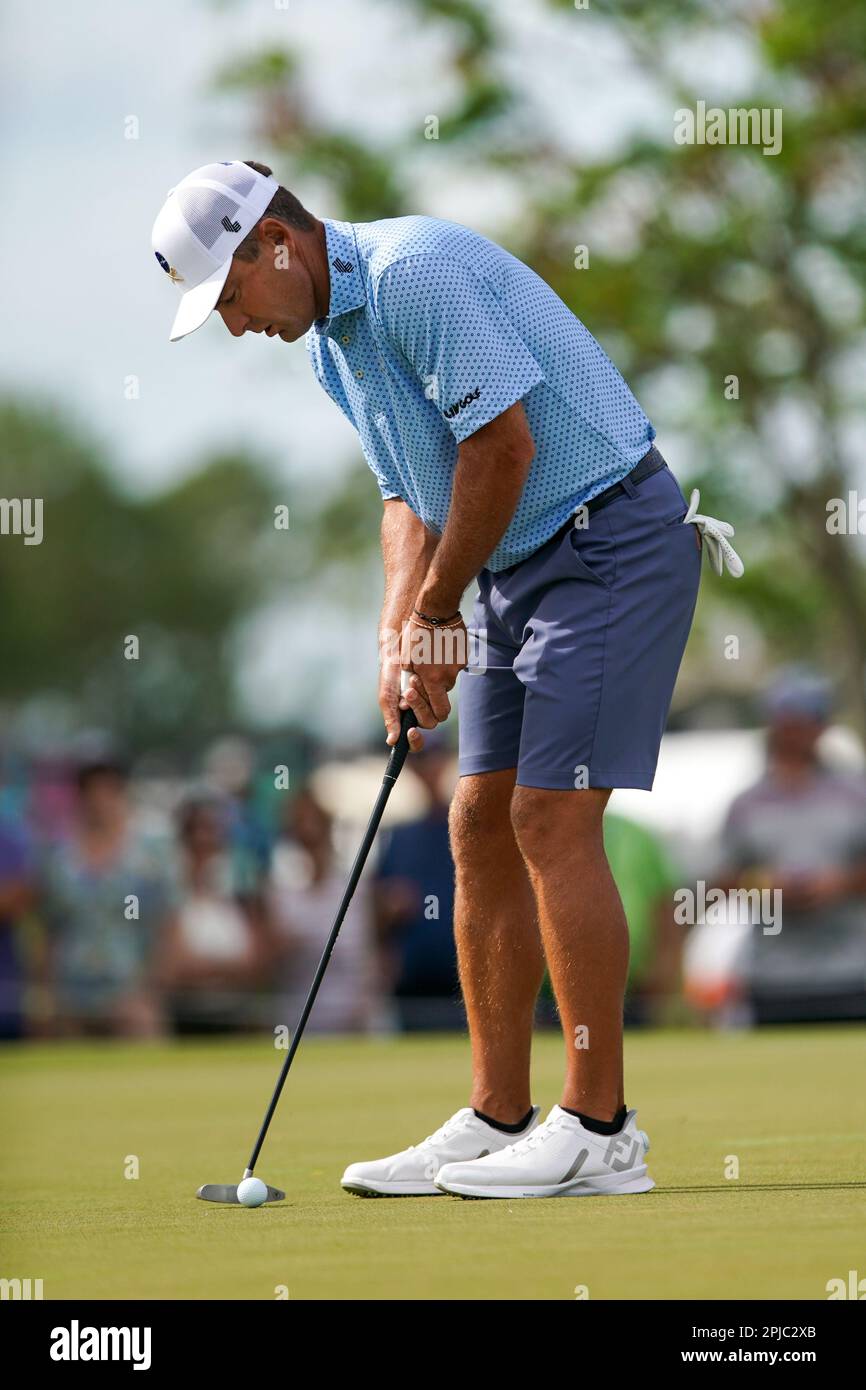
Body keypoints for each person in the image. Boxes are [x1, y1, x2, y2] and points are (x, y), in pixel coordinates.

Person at [152, 160, 742, 1199]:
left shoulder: (414, 274)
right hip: (518, 565)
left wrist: (436, 613)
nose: (237, 325)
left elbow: (501, 448)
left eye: (232, 298)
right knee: (477, 820)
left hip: (607, 540)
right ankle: (494, 1112)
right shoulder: (332, 343)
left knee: (551, 821)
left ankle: (598, 1126)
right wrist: (398, 632)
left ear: (276, 246)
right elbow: (405, 495)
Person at [717, 668, 866, 1024]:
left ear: (822, 727)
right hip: (773, 977)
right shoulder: (746, 804)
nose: (796, 731)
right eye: (788, 721)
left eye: (806, 720)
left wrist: (841, 884)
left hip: (851, 973)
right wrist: (766, 885)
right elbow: (719, 885)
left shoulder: (856, 794)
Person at [37, 759, 176, 1037]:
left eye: (108, 788)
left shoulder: (150, 853)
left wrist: (149, 992)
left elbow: (169, 927)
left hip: (131, 994)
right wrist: (45, 997)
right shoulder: (59, 857)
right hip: (71, 996)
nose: (99, 799)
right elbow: (50, 930)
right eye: (91, 789)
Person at [157, 795, 272, 1034]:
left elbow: (257, 964)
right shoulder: (169, 893)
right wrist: (228, 968)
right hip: (185, 1018)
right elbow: (172, 970)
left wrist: (201, 969)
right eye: (195, 832)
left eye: (211, 831)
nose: (203, 840)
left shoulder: (242, 891)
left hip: (238, 1016)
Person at [269, 787, 378, 1035]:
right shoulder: (279, 892)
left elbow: (368, 954)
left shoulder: (355, 888)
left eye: (316, 831)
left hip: (355, 1022)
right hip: (299, 1024)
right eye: (303, 834)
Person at [373, 729, 460, 1030]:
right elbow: (375, 911)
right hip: (413, 978)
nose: (428, 766)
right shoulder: (398, 836)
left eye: (435, 756)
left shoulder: (470, 828)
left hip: (463, 974)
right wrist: (388, 906)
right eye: (421, 758)